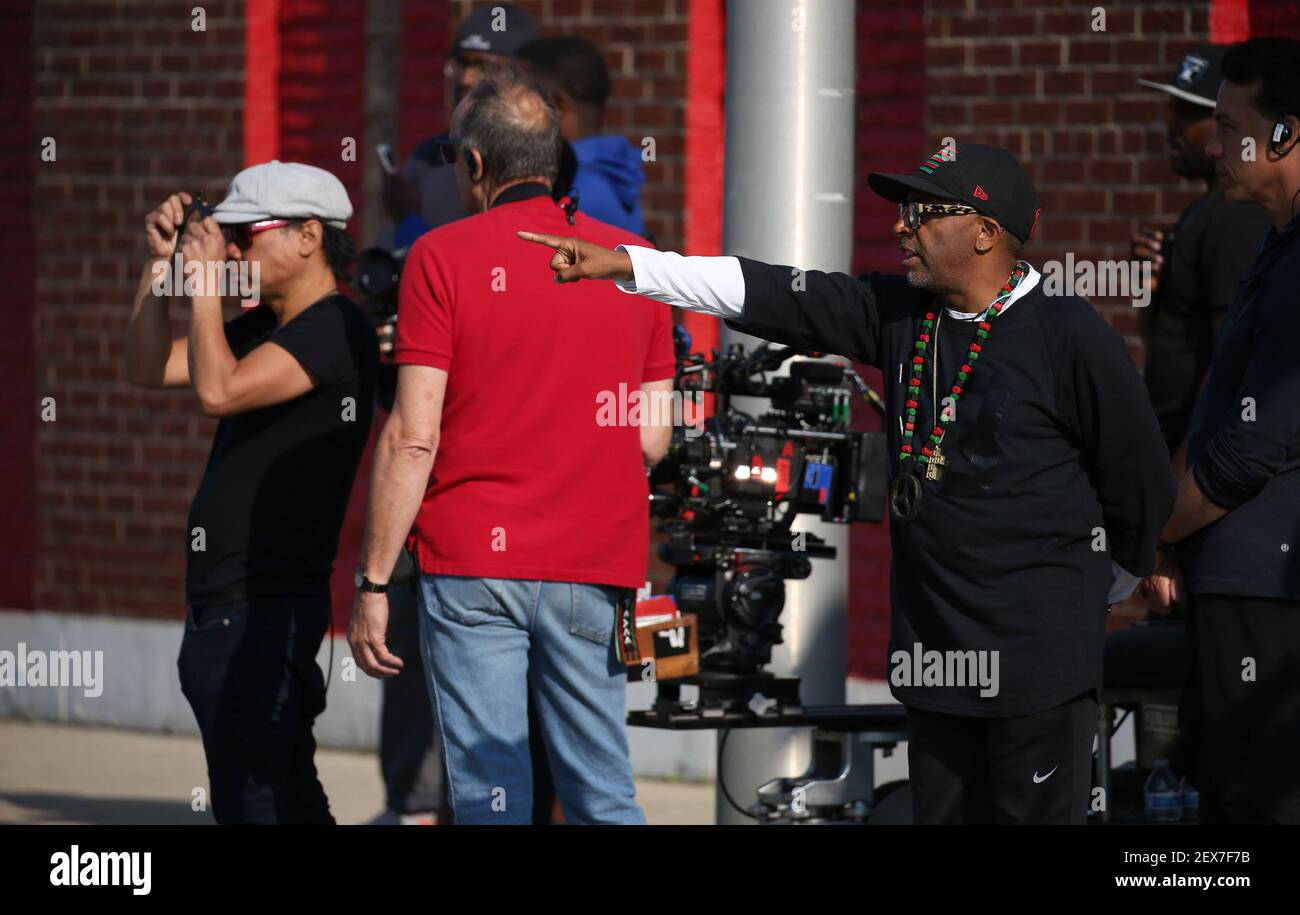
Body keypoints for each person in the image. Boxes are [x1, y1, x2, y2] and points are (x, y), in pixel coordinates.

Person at [522, 142, 1176, 825]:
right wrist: (631, 265)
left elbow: (1141, 481)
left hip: (1039, 666)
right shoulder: (899, 313)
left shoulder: (1068, 334)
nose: (901, 226)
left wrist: (1099, 590)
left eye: (923, 213)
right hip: (936, 663)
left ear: (985, 232)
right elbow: (776, 293)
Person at [348, 67, 674, 824]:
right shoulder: (635, 261)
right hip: (593, 559)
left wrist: (372, 583)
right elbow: (652, 437)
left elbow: (411, 435)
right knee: (602, 791)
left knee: (491, 792)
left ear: (474, 166)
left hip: (472, 561)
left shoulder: (439, 256)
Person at [124, 161, 378, 824]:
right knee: (288, 800)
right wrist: (160, 267)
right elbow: (150, 368)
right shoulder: (269, 322)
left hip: (262, 607)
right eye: (225, 235)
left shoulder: (335, 326)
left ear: (307, 236)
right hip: (232, 603)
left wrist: (205, 281)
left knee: (256, 802)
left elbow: (219, 391)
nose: (232, 249)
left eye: (245, 234)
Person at [1143, 36, 1300, 824]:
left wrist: (1153, 526)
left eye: (1234, 124)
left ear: (1286, 134)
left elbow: (1255, 444)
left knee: (1258, 806)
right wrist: (1170, 534)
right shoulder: (1274, 246)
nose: (1220, 144)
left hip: (1269, 586)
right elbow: (1216, 400)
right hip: (1229, 572)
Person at [1134, 44, 1272, 459]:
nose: (1172, 126)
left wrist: (1183, 485)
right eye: (1172, 109)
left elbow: (1231, 369)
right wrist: (1149, 290)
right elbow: (1165, 345)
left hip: (1192, 461)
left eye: (1191, 114)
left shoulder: (1234, 219)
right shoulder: (1204, 214)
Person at [383, 2, 539, 250]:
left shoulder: (542, 159)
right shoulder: (428, 159)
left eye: (485, 66)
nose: (466, 78)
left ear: (523, 74)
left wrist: (409, 221)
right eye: (462, 63)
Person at [518, 36, 648, 235]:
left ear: (558, 105)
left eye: (522, 99)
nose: (511, 111)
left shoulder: (570, 190)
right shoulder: (614, 172)